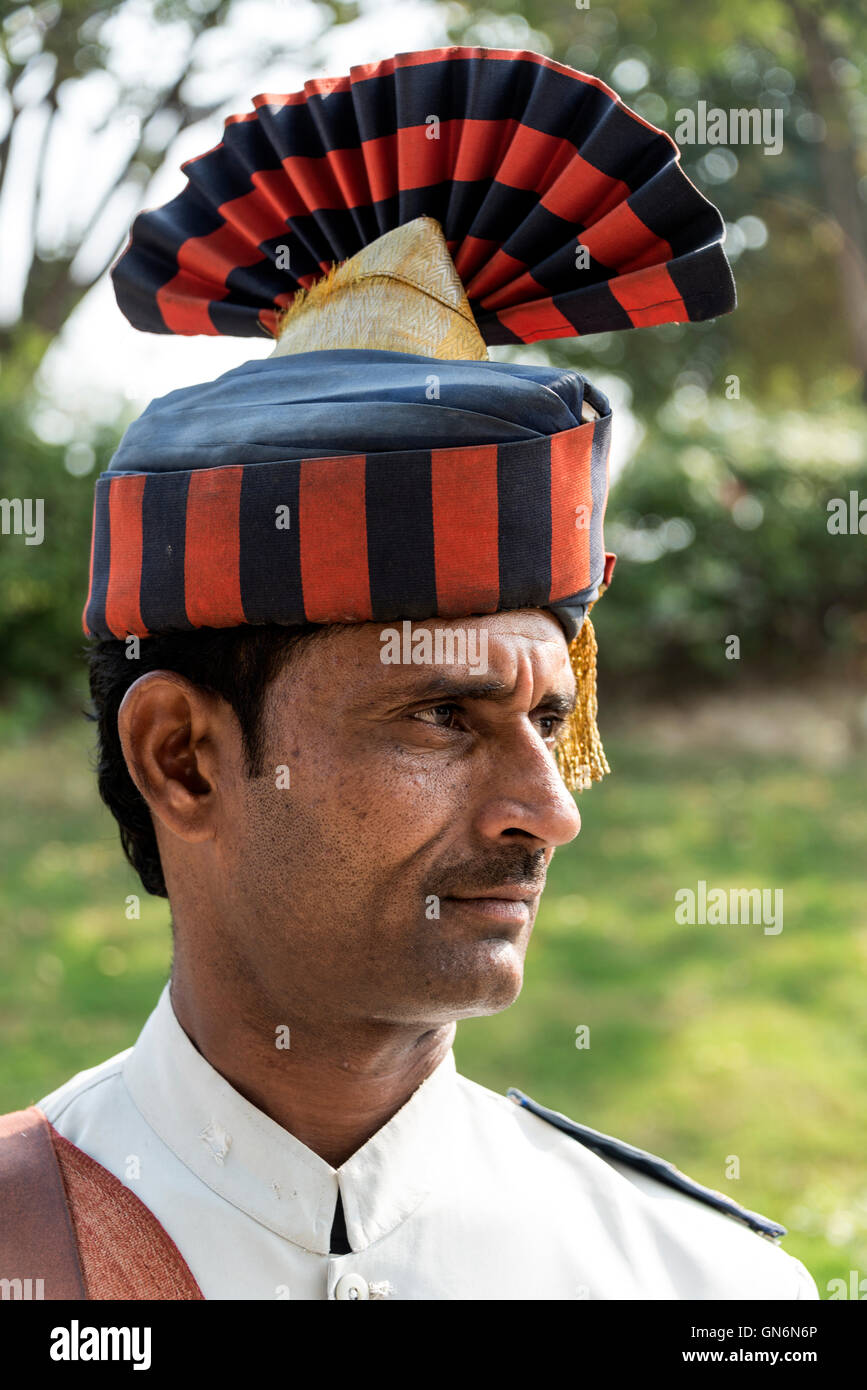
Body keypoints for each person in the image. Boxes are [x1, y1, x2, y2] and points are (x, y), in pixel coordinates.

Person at [0, 46, 817, 1300]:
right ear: (184, 757)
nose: (550, 808)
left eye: (551, 716)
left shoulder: (705, 1288)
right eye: (442, 713)